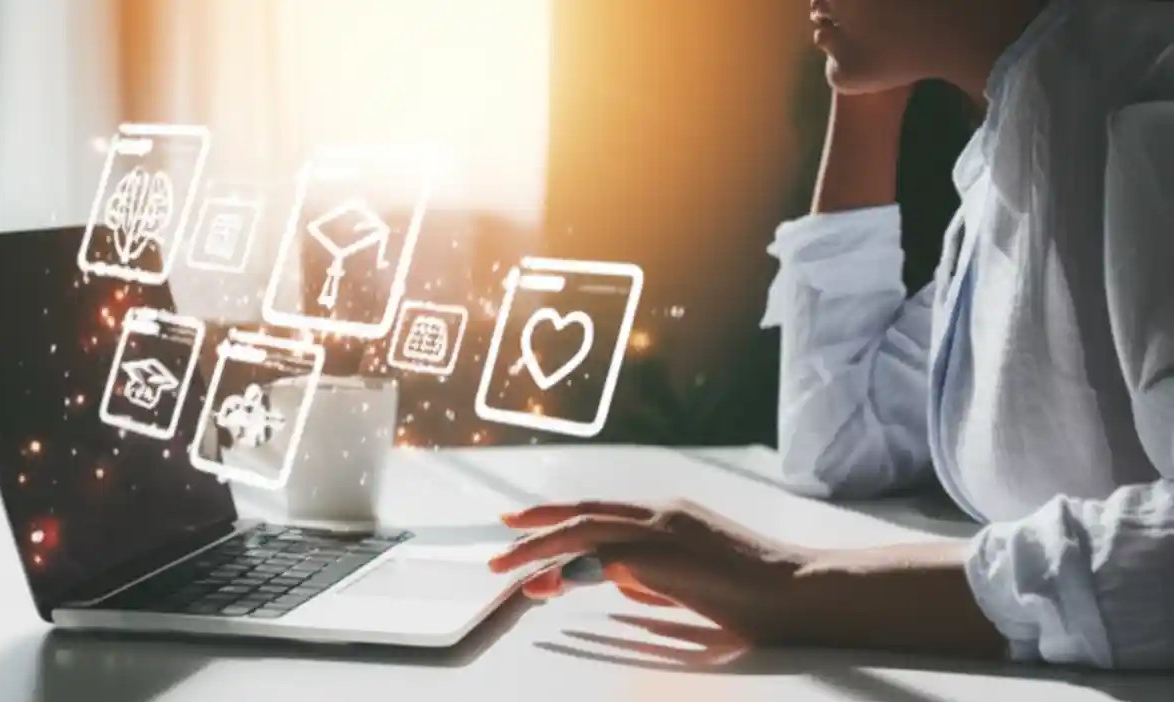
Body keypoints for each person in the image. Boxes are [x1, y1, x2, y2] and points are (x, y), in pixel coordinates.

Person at [488, 0, 1174, 668]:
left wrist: (800, 583)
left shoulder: (1141, 102)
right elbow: (838, 441)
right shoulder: (1024, 137)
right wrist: (866, 100)